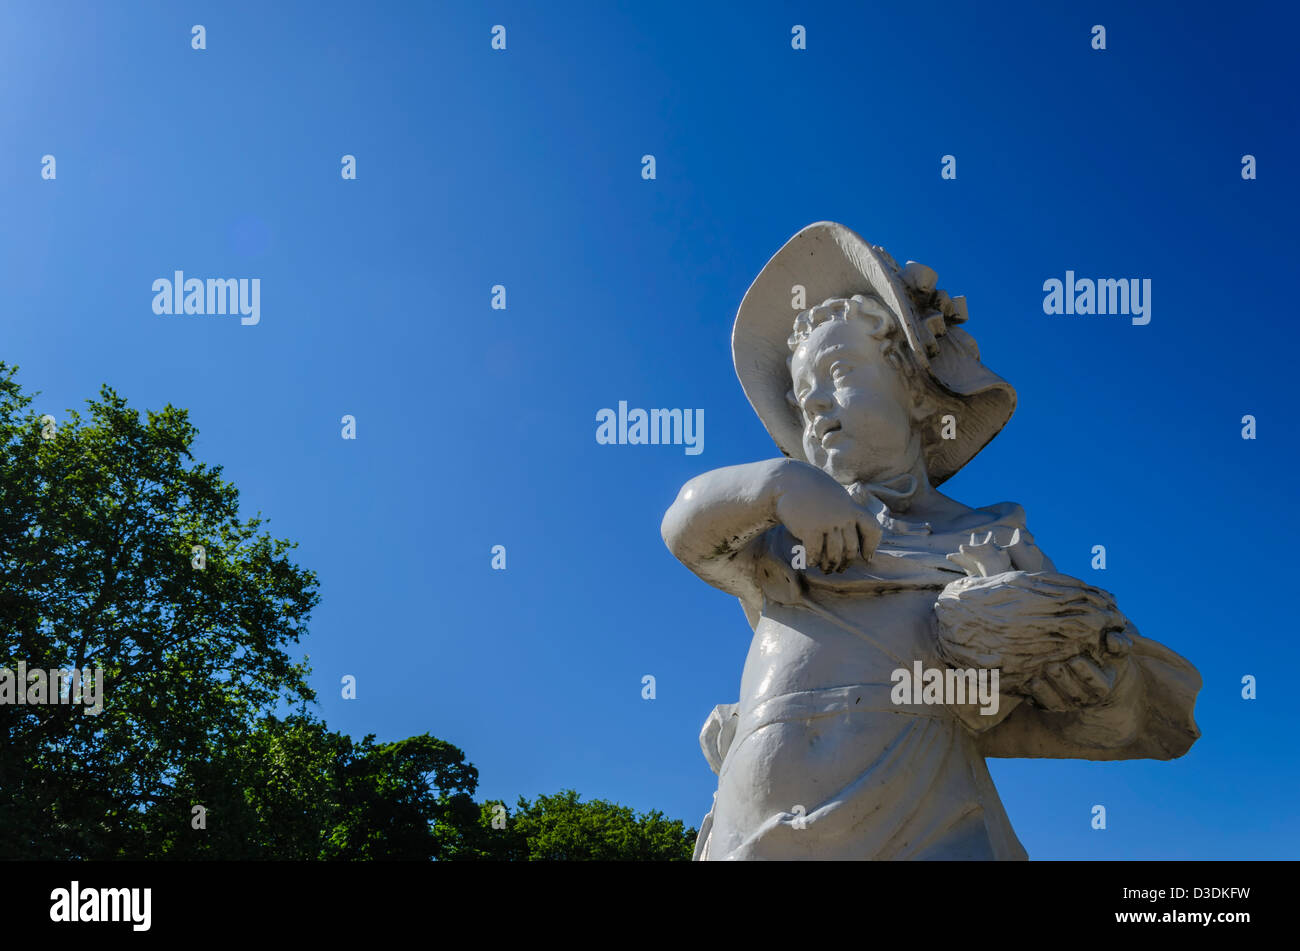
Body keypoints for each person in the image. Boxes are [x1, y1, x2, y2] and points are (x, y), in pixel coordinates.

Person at [661, 222, 1201, 860]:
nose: (819, 409)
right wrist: (778, 483)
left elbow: (1080, 709)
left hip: (926, 820)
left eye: (838, 374)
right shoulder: (780, 536)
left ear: (918, 394)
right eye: (804, 403)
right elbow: (686, 528)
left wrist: (1092, 681)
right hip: (754, 832)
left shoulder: (992, 540)